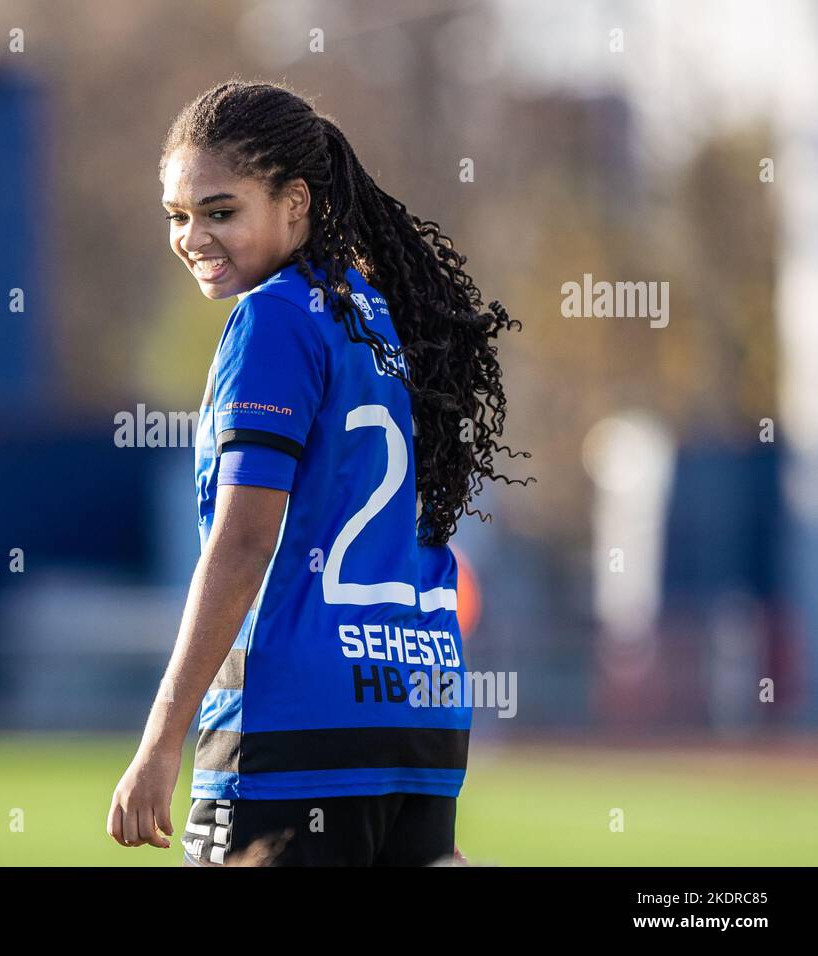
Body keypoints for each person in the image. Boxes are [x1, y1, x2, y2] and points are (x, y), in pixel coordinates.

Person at [108, 81, 525, 866]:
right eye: (178, 214)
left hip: (296, 722)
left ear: (295, 203)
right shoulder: (384, 316)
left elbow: (242, 543)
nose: (193, 235)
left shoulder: (271, 317)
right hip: (418, 707)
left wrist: (162, 736)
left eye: (220, 210)